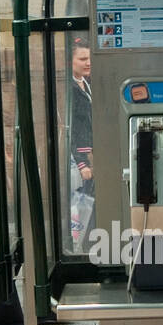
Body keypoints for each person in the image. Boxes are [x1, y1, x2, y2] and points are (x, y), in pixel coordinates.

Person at [67, 39, 94, 250]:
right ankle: (76, 245)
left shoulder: (87, 83)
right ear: (70, 61)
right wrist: (83, 162)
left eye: (89, 58)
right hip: (77, 157)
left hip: (90, 151)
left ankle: (83, 242)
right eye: (82, 58)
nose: (88, 63)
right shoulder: (68, 89)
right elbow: (71, 128)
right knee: (77, 201)